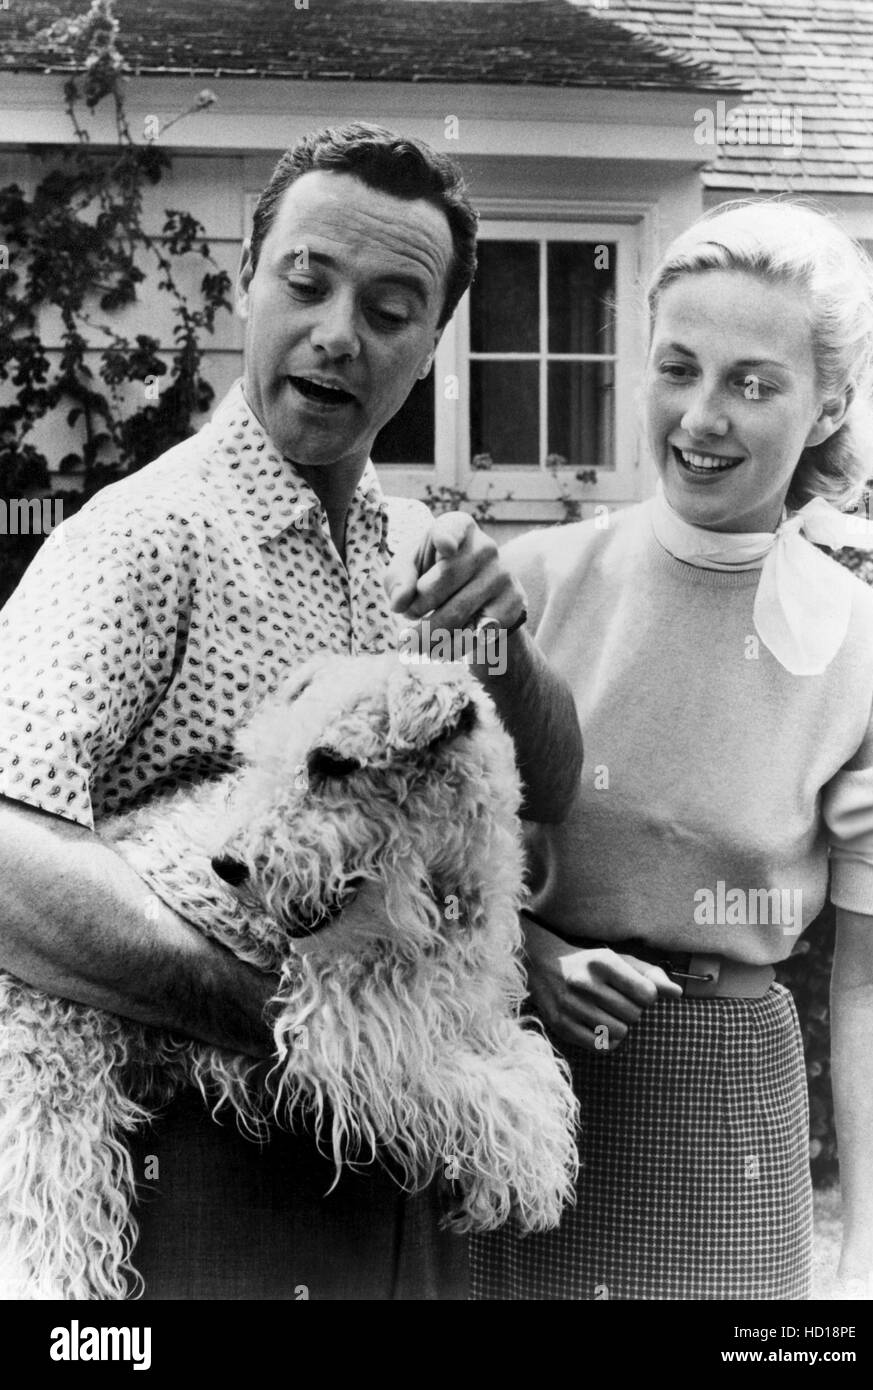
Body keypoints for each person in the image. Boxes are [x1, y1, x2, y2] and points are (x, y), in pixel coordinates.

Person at [0, 122, 582, 1300]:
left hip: (397, 1177)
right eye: (307, 282)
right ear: (252, 280)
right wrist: (292, 1018)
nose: (336, 334)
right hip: (203, 1185)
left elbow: (549, 790)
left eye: (390, 307)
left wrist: (503, 645)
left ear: (432, 343)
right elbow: (8, 861)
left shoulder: (418, 550)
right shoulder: (138, 539)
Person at [470, 200, 873, 1301]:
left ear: (827, 408)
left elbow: (871, 985)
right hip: (509, 1078)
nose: (701, 417)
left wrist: (862, 1254)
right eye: (678, 368)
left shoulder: (868, 650)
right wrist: (529, 955)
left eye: (753, 384)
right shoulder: (529, 586)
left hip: (724, 1114)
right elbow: (424, 866)